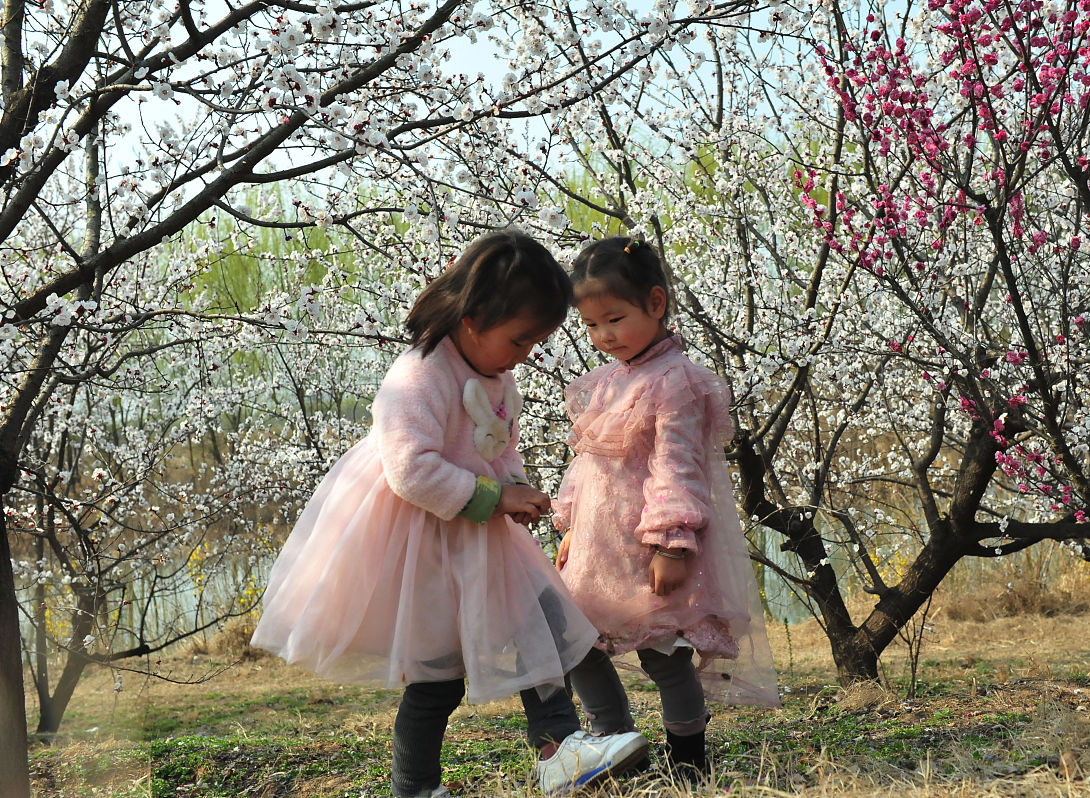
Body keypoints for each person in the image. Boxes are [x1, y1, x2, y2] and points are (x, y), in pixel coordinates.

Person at [251, 230, 648, 798]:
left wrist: (516, 487)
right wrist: (493, 497)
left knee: (546, 627)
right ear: (474, 319)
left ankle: (559, 752)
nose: (527, 354)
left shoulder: (497, 374)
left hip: (481, 536)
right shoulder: (419, 373)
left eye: (535, 341)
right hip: (423, 544)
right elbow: (409, 468)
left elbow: (497, 447)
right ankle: (416, 788)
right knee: (437, 679)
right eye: (520, 339)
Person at [553, 236, 780, 781]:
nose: (603, 336)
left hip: (649, 543)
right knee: (576, 640)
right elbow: (588, 463)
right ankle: (614, 740)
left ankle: (689, 760)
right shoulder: (608, 385)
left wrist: (672, 541)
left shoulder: (678, 383)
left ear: (655, 304)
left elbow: (678, 466)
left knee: (665, 653)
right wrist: (570, 525)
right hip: (598, 544)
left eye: (614, 318)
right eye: (590, 326)